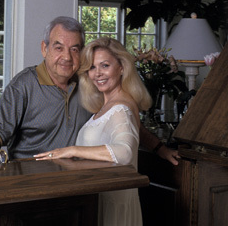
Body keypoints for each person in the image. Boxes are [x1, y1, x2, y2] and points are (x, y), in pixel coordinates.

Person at [0, 16, 180, 165]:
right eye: (58, 47)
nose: (67, 57)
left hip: (78, 184)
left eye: (74, 49)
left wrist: (159, 148)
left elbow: (123, 122)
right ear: (44, 49)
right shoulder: (24, 85)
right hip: (31, 181)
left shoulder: (90, 84)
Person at [35, 37, 149, 226]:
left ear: (122, 67)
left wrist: (72, 150)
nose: (97, 74)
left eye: (105, 65)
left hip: (114, 204)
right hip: (98, 199)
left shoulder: (121, 109)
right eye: (92, 67)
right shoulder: (108, 106)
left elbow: (125, 153)